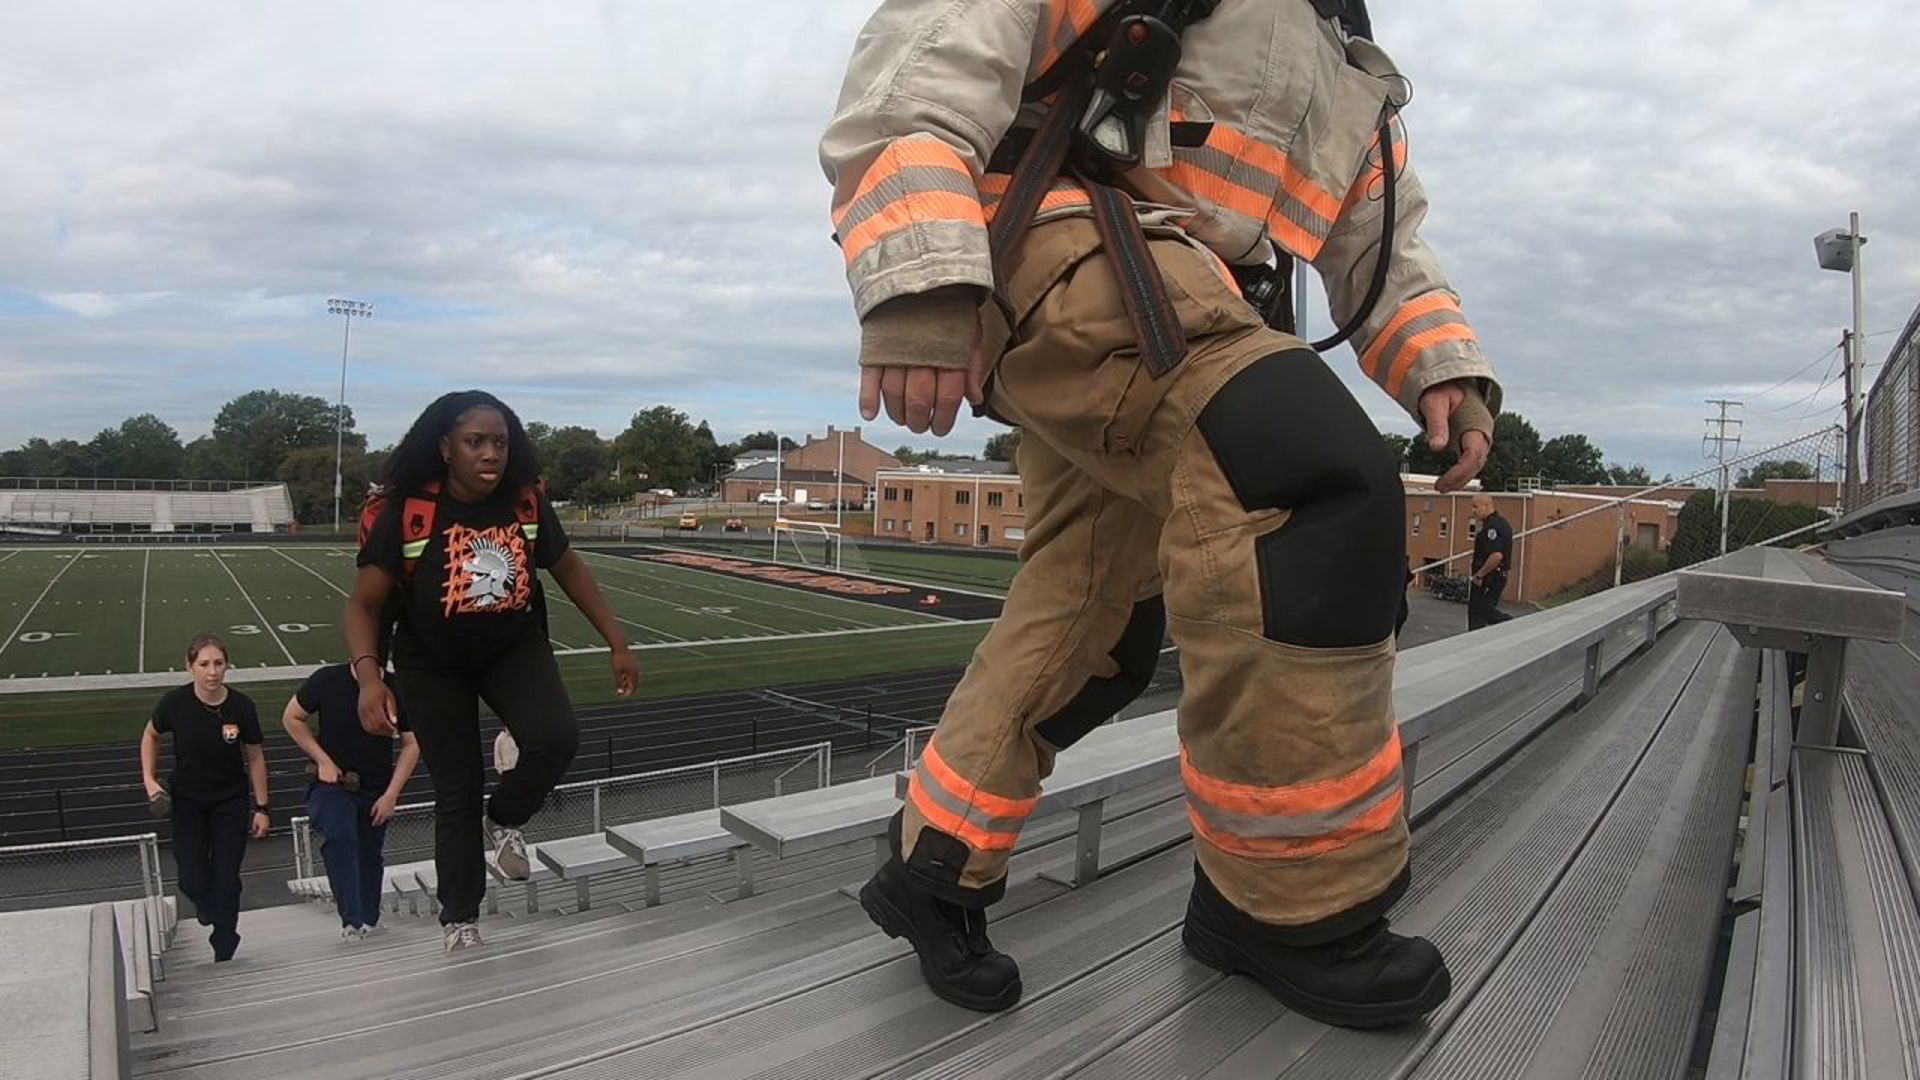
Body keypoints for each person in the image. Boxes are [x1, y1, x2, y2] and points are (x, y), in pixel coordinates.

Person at [820, 0, 1502, 1028]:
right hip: (1063, 245)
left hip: (1173, 291)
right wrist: (920, 284)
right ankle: (1283, 905)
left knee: (1095, 616)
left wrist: (1441, 364)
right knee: (1303, 484)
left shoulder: (1339, 47)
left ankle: (933, 866)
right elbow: (926, 65)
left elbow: (1379, 233)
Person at [343, 389, 641, 955]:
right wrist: (368, 676)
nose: (490, 454)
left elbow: (568, 566)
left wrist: (616, 641)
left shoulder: (524, 501)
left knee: (556, 738)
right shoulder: (410, 510)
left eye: (500, 442)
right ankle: (460, 919)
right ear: (445, 448)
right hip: (432, 663)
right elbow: (364, 604)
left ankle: (504, 818)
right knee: (457, 788)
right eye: (475, 442)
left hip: (512, 646)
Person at [138, 632, 269, 961]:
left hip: (230, 802)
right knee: (191, 879)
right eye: (204, 664)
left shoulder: (241, 706)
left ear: (227, 666)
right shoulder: (174, 703)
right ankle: (210, 907)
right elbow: (150, 735)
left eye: (218, 663)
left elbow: (254, 756)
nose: (212, 671)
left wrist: (262, 807)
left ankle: (225, 942)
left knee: (226, 878)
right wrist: (149, 781)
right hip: (188, 802)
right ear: (190, 667)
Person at [281, 653, 421, 941]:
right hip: (331, 784)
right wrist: (322, 760)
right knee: (340, 835)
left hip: (375, 789)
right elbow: (291, 717)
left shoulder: (397, 687)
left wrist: (392, 794)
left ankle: (369, 918)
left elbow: (411, 743)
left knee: (369, 854)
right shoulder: (327, 680)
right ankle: (352, 921)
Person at [1467, 494, 1515, 630]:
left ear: (1486, 505)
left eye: (1476, 507)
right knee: (1480, 613)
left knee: (1481, 610)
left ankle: (1512, 625)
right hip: (1495, 577)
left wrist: (1479, 575)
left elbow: (1496, 556)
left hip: (1489, 578)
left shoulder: (1492, 527)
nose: (1473, 511)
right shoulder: (1501, 523)